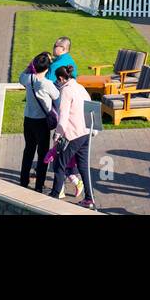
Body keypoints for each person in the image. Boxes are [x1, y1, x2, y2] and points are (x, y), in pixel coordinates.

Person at [48, 65, 95, 209]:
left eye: (58, 80)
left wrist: (57, 135)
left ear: (61, 78)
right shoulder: (80, 87)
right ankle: (89, 198)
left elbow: (63, 115)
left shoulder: (66, 91)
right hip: (86, 133)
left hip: (73, 135)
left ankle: (54, 196)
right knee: (83, 167)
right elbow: (91, 107)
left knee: (60, 165)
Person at [18, 52, 59, 191]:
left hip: (28, 120)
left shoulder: (28, 79)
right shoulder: (47, 84)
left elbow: (21, 76)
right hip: (42, 123)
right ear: (48, 68)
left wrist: (30, 65)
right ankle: (39, 185)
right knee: (43, 153)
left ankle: (23, 181)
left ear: (34, 65)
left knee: (28, 150)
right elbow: (57, 96)